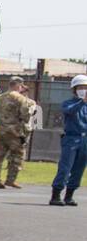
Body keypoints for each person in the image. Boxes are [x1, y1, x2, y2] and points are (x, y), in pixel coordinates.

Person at [0, 77, 36, 190]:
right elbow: (25, 115)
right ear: (19, 85)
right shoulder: (21, 99)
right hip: (14, 132)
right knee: (18, 155)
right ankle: (10, 180)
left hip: (0, 131)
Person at [49, 74, 87, 207]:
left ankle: (69, 195)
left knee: (79, 169)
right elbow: (69, 111)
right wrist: (82, 102)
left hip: (85, 140)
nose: (83, 90)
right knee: (65, 167)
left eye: (85, 87)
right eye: (80, 87)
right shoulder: (69, 103)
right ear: (74, 89)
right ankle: (56, 194)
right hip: (71, 138)